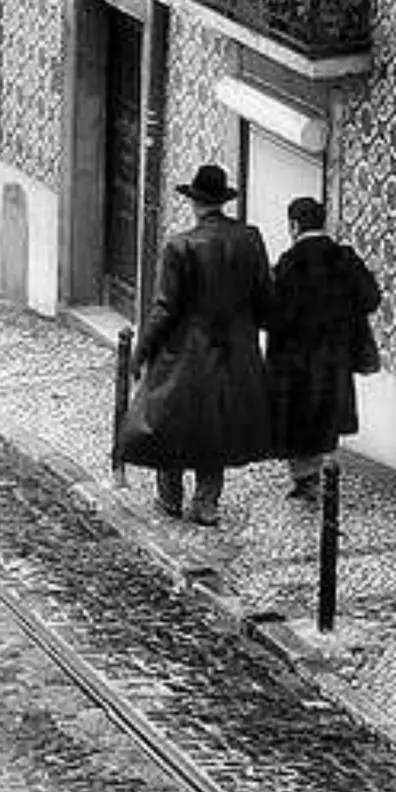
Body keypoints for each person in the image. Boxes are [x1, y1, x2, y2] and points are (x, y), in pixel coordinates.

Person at [122, 162, 273, 527]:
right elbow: (265, 298)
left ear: (194, 202)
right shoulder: (250, 238)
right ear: (221, 200)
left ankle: (170, 497)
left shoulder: (180, 247)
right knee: (215, 425)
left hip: (187, 348)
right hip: (236, 349)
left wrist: (142, 350)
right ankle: (206, 503)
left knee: (169, 419)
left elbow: (165, 307)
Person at [265, 195, 383, 503]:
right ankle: (319, 473)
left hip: (296, 360)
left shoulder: (289, 264)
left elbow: (274, 315)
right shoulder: (344, 258)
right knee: (327, 414)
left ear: (293, 225)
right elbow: (371, 298)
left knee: (298, 419)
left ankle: (306, 479)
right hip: (336, 355)